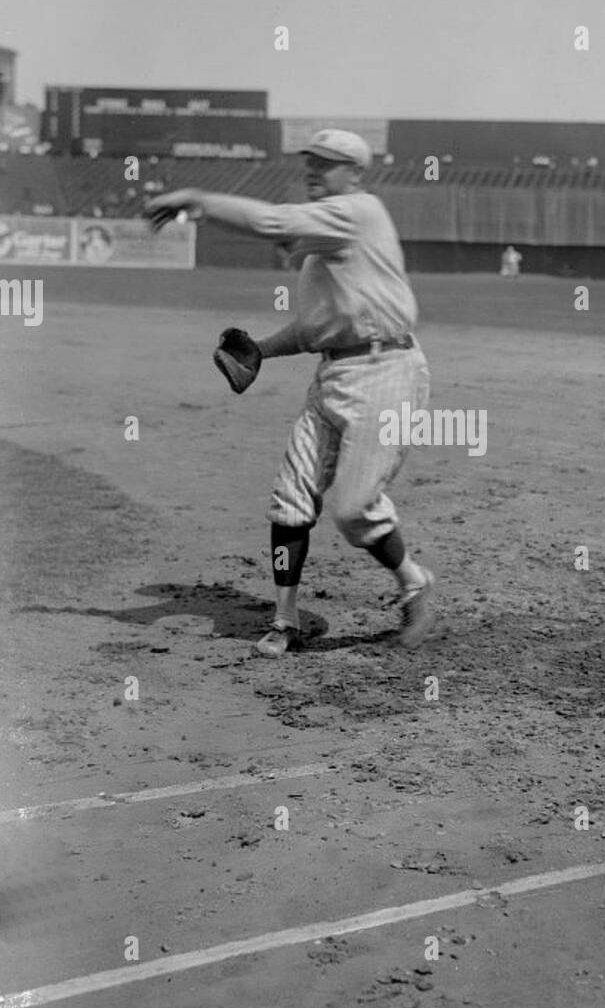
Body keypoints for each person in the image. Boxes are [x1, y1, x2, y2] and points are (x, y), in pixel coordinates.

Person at [144, 128, 435, 656]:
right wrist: (260, 348)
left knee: (353, 511)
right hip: (334, 376)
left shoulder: (358, 211)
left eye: (327, 162)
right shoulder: (319, 254)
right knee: (290, 496)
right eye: (310, 161)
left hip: (388, 373)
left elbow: (274, 221)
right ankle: (285, 619)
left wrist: (199, 200)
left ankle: (414, 582)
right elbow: (313, 331)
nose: (314, 170)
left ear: (355, 173)